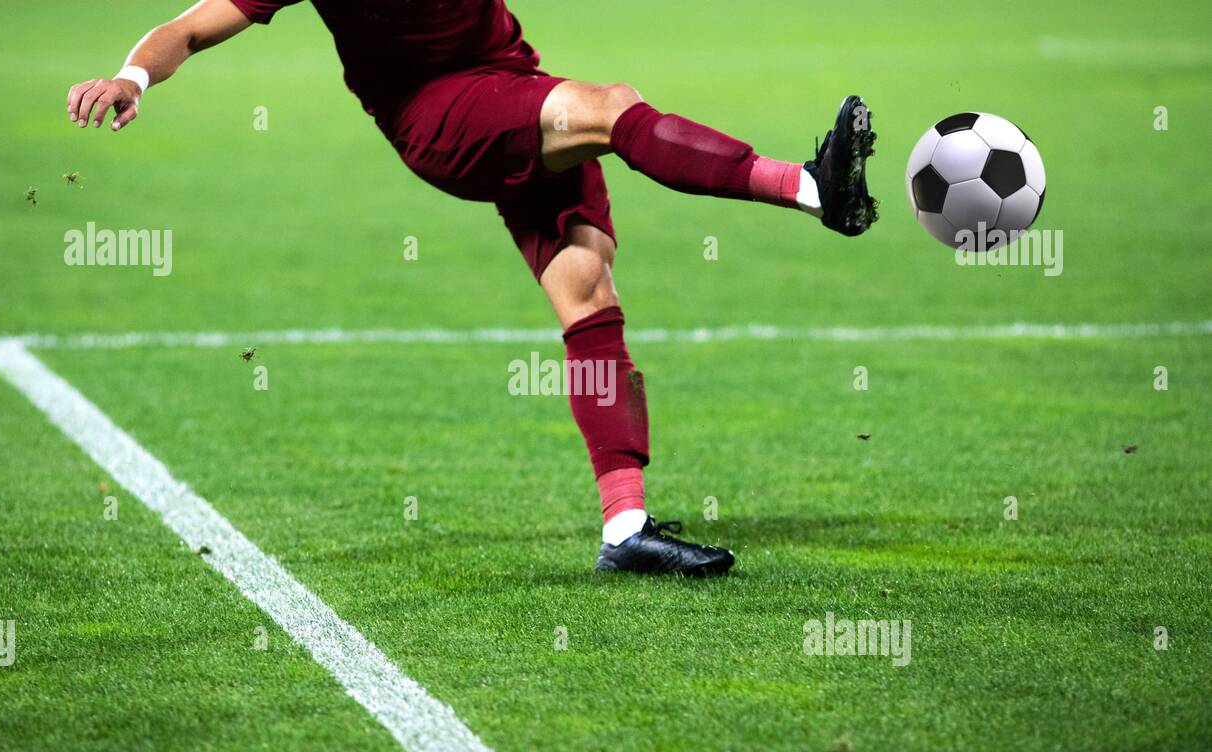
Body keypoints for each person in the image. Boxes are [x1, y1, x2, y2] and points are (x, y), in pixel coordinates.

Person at [65, 0, 878, 577]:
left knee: (588, 293)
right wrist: (133, 76)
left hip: (511, 84)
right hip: (439, 114)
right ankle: (811, 187)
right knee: (612, 109)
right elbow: (192, 27)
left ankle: (626, 529)